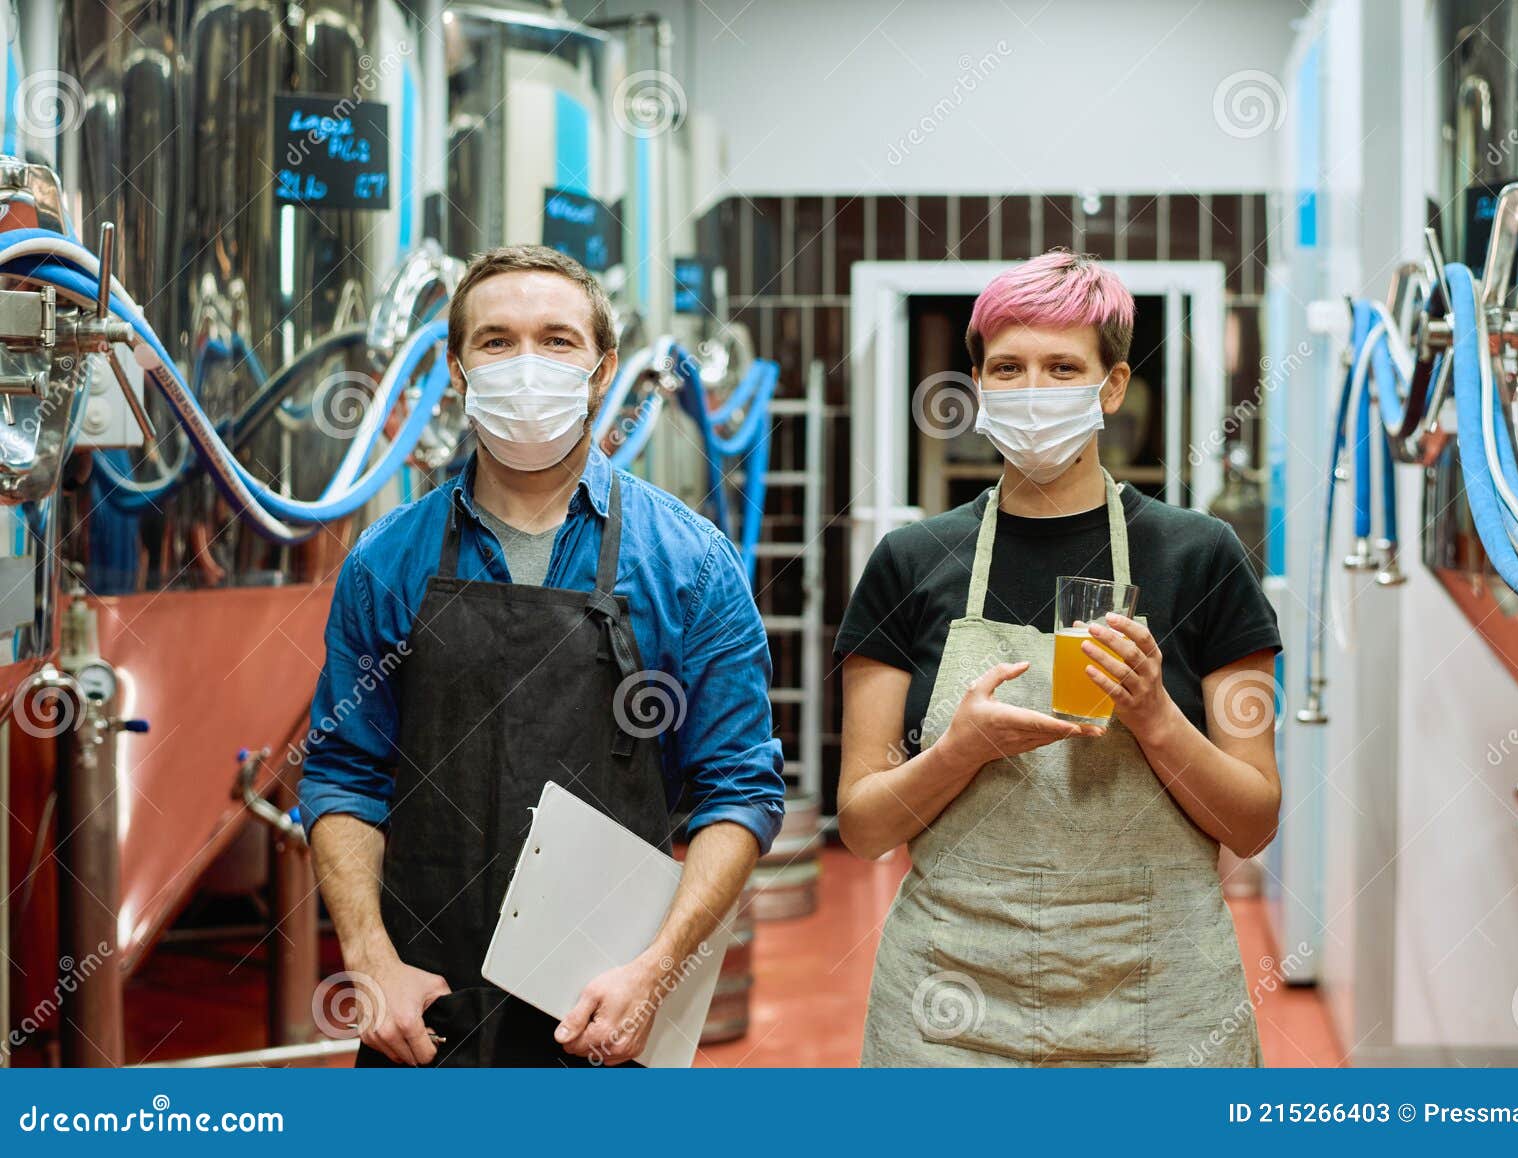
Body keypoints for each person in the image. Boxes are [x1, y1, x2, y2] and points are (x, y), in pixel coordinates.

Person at [297, 244, 785, 1067]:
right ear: (456, 371)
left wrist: (655, 972)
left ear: (603, 369)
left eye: (557, 341)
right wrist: (371, 961)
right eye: (496, 342)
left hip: (605, 1010)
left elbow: (739, 789)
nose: (527, 365)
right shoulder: (386, 562)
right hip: (424, 1005)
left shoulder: (690, 565)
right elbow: (345, 773)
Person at [836, 250, 1281, 1067]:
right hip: (951, 996)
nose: (1032, 389)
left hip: (1158, 993)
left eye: (1062, 368)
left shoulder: (1199, 557)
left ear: (1111, 387)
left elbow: (1252, 823)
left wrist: (1154, 717)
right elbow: (863, 827)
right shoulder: (911, 561)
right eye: (1007, 367)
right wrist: (959, 752)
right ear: (976, 385)